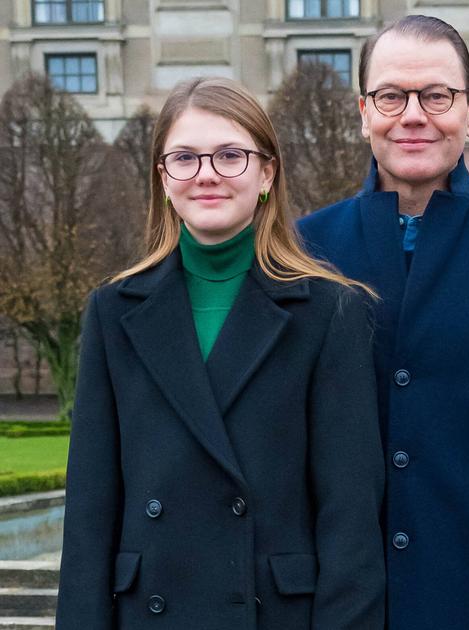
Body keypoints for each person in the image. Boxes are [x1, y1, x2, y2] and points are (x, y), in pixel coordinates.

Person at [56, 77, 385, 629]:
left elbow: (349, 519)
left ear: (267, 173)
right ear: (163, 179)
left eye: (230, 155)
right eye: (184, 157)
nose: (206, 173)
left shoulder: (331, 311)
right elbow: (89, 517)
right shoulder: (113, 310)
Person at [296, 15, 469, 630]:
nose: (414, 115)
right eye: (392, 96)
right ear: (365, 111)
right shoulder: (302, 251)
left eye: (437, 95)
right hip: (335, 596)